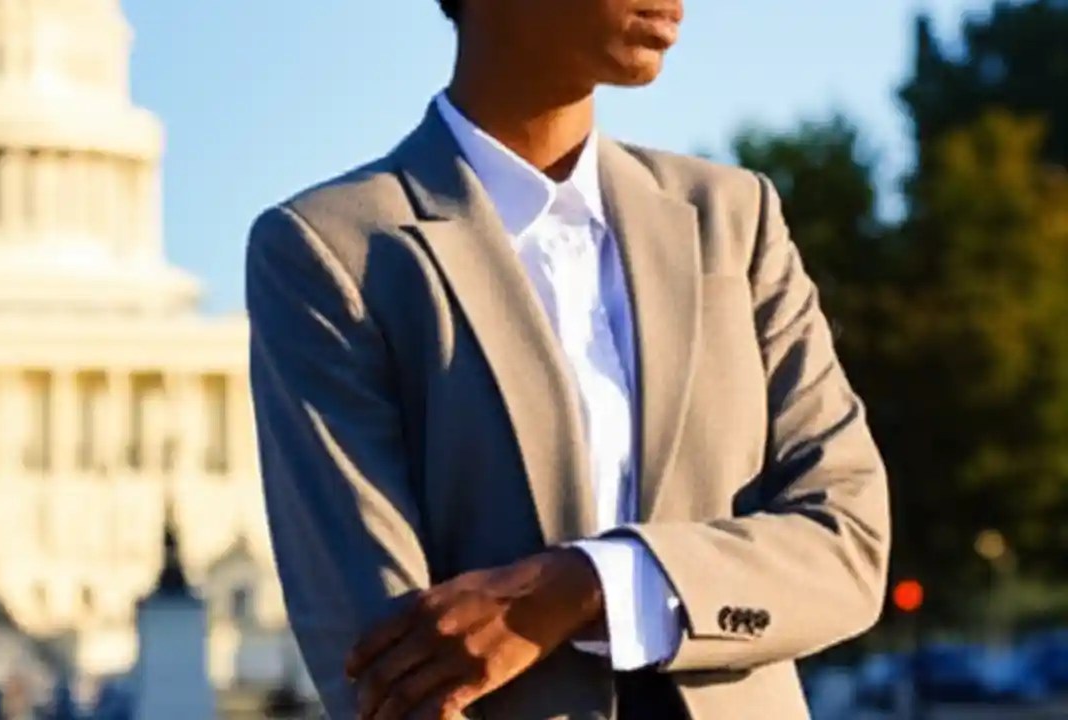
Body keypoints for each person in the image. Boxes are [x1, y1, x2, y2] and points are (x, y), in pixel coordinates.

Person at [245, 1, 891, 718]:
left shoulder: (734, 220)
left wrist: (582, 585)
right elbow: (385, 661)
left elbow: (848, 542)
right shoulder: (332, 251)